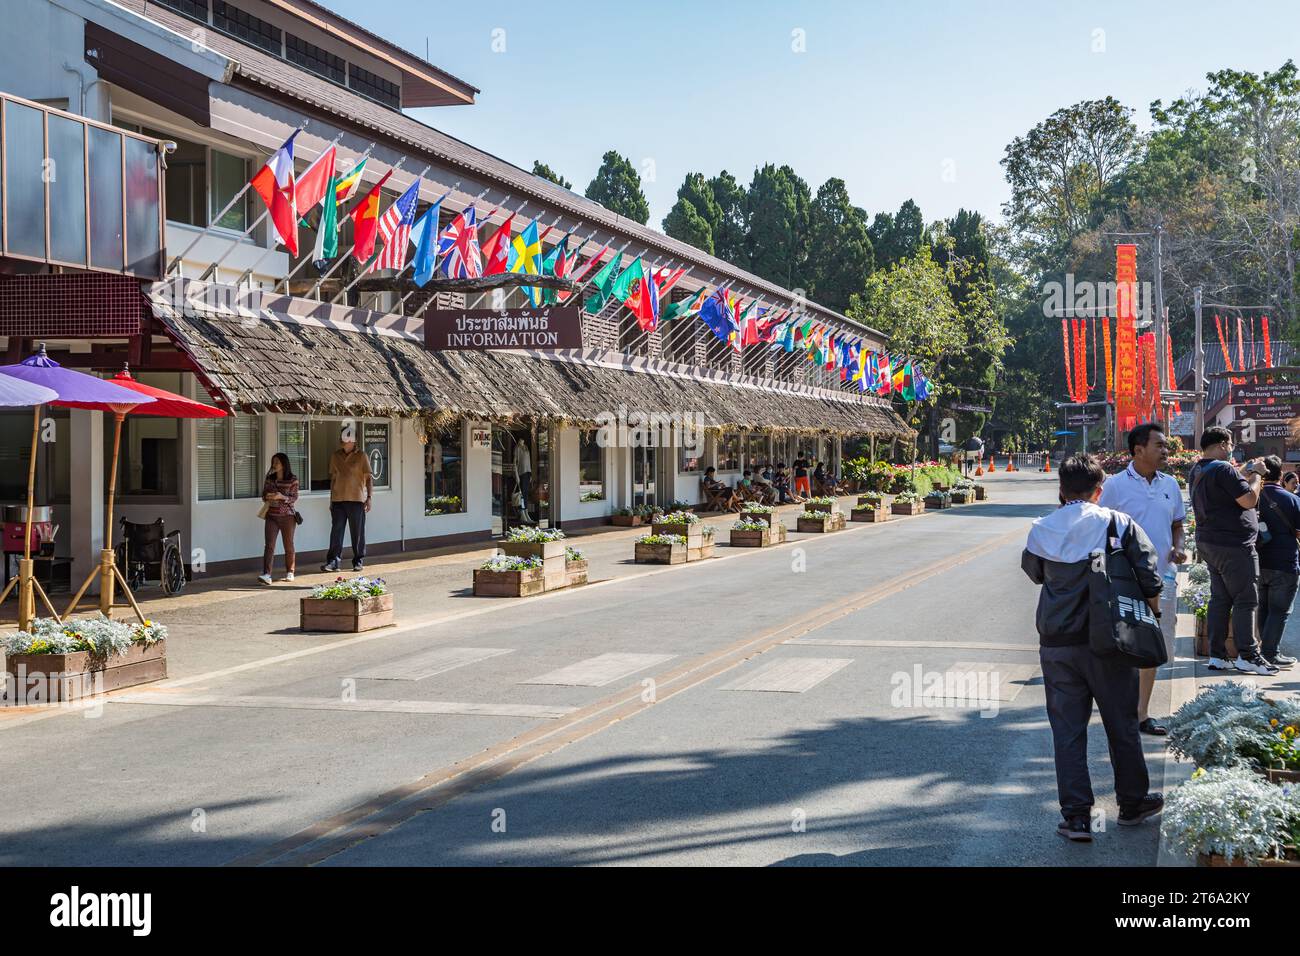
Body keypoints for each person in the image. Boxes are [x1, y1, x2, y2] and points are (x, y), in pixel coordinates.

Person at [1022, 454, 1164, 843]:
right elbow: (1149, 572)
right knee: (1121, 724)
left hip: (1057, 644)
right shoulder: (1117, 522)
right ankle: (1132, 804)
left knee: (1067, 732)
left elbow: (1034, 572)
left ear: (1061, 490)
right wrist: (1152, 609)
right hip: (1111, 642)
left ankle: (1077, 818)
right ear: (1099, 490)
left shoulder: (1042, 529)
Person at [1097, 423, 1187, 735]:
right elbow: (1099, 528)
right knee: (1123, 647)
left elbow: (1178, 524)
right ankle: (1121, 711)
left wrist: (1179, 547)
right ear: (1138, 450)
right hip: (1125, 583)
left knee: (1151, 648)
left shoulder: (1171, 485)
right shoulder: (1116, 486)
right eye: (1159, 445)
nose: (1166, 450)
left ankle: (1141, 714)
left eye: (1165, 445)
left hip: (1163, 578)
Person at [1188, 426, 1276, 675]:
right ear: (1222, 444)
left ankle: (1218, 655)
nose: (1231, 449)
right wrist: (1257, 475)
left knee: (1220, 599)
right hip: (1234, 546)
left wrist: (1244, 471)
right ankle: (1248, 656)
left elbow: (1226, 486)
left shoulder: (1198, 468)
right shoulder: (1224, 468)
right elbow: (1249, 499)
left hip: (1210, 543)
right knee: (1246, 600)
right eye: (1230, 445)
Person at [1255, 455, 1300, 669]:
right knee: (1279, 610)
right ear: (1281, 474)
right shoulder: (1291, 499)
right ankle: (1270, 653)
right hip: (1285, 562)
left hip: (1259, 561)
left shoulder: (1251, 495)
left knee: (1263, 608)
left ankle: (1264, 650)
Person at [321, 423, 373, 573]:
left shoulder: (362, 456)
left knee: (357, 532)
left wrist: (369, 497)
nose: (346, 439)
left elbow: (369, 478)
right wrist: (331, 500)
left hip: (356, 499)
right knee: (336, 532)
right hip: (338, 500)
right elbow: (333, 479)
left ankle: (358, 561)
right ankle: (333, 562)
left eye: (349, 437)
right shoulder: (335, 456)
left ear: (354, 440)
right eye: (344, 436)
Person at [259, 452, 299, 585]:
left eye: (277, 462)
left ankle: (290, 571)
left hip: (288, 516)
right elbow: (264, 495)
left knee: (288, 545)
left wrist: (281, 497)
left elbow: (294, 497)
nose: (274, 465)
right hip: (271, 515)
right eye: (273, 462)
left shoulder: (292, 479)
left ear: (284, 464)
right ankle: (266, 574)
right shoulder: (270, 478)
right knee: (269, 545)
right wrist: (269, 496)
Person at [514, 434, 534, 525]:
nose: (522, 440)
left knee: (526, 495)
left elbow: (528, 461)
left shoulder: (526, 447)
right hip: (521, 473)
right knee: (521, 495)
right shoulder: (517, 448)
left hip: (527, 473)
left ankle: (526, 513)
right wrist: (516, 475)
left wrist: (531, 474)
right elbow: (515, 463)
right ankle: (522, 513)